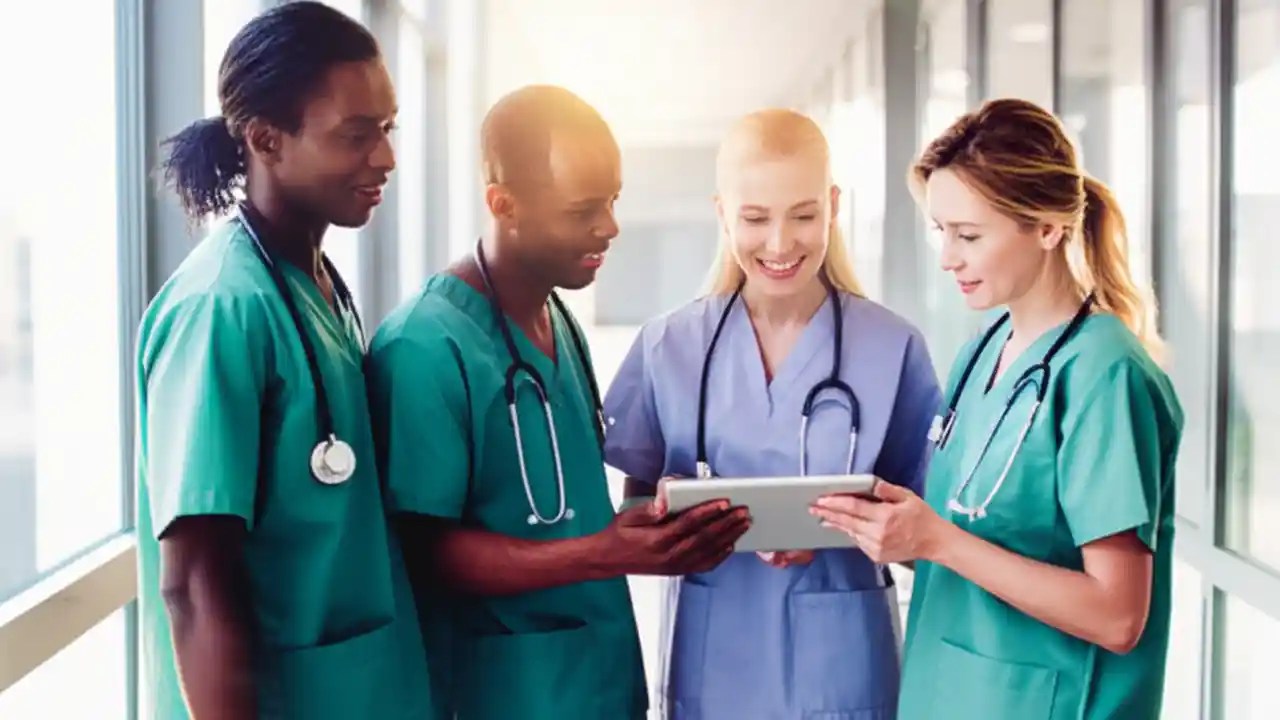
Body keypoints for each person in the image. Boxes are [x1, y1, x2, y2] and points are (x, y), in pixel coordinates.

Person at [365, 84, 752, 720]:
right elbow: (424, 552)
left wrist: (653, 524)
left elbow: (565, 508)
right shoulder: (424, 346)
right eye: (582, 211)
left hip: (598, 682)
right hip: (503, 694)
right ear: (503, 204)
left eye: (613, 201)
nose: (611, 227)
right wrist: (606, 552)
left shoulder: (558, 320)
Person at [810, 98, 1184, 720]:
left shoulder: (1104, 375)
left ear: (1047, 228)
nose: (948, 257)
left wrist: (937, 540)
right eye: (941, 232)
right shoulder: (983, 352)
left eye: (969, 235)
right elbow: (970, 536)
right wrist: (868, 531)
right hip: (945, 694)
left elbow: (1118, 615)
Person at [135, 4, 431, 718]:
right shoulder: (220, 308)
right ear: (266, 139)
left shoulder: (313, 281)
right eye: (356, 135)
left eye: (387, 130)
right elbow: (193, 583)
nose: (385, 158)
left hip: (357, 689)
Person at [602, 108, 941, 719]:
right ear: (723, 214)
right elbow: (633, 516)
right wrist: (673, 519)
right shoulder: (669, 345)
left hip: (843, 670)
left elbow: (928, 535)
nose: (780, 244)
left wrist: (848, 531)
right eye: (756, 218)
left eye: (803, 215)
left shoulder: (892, 347)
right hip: (715, 666)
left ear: (833, 206)